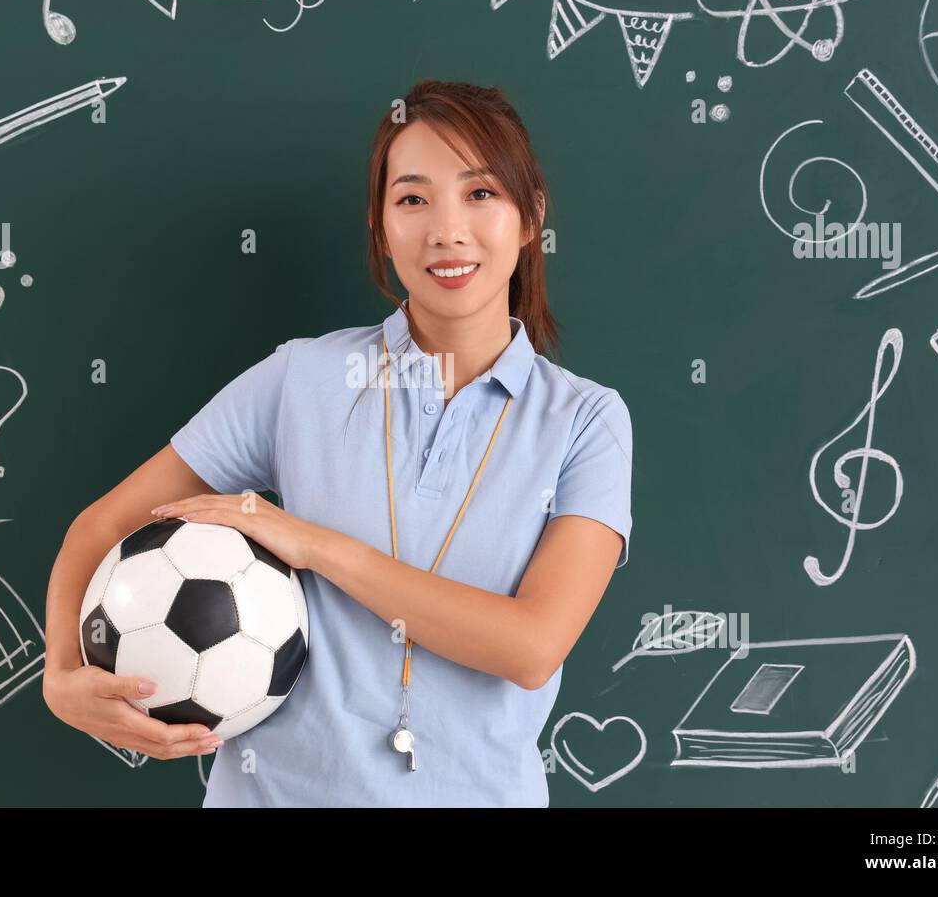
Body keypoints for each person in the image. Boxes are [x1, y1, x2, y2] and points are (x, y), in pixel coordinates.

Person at [43, 80, 633, 806]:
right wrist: (61, 675)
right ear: (381, 227)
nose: (447, 231)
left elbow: (532, 647)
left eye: (480, 194)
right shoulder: (303, 377)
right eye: (412, 199)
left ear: (530, 217)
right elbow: (104, 525)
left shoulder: (586, 420)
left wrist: (312, 544)